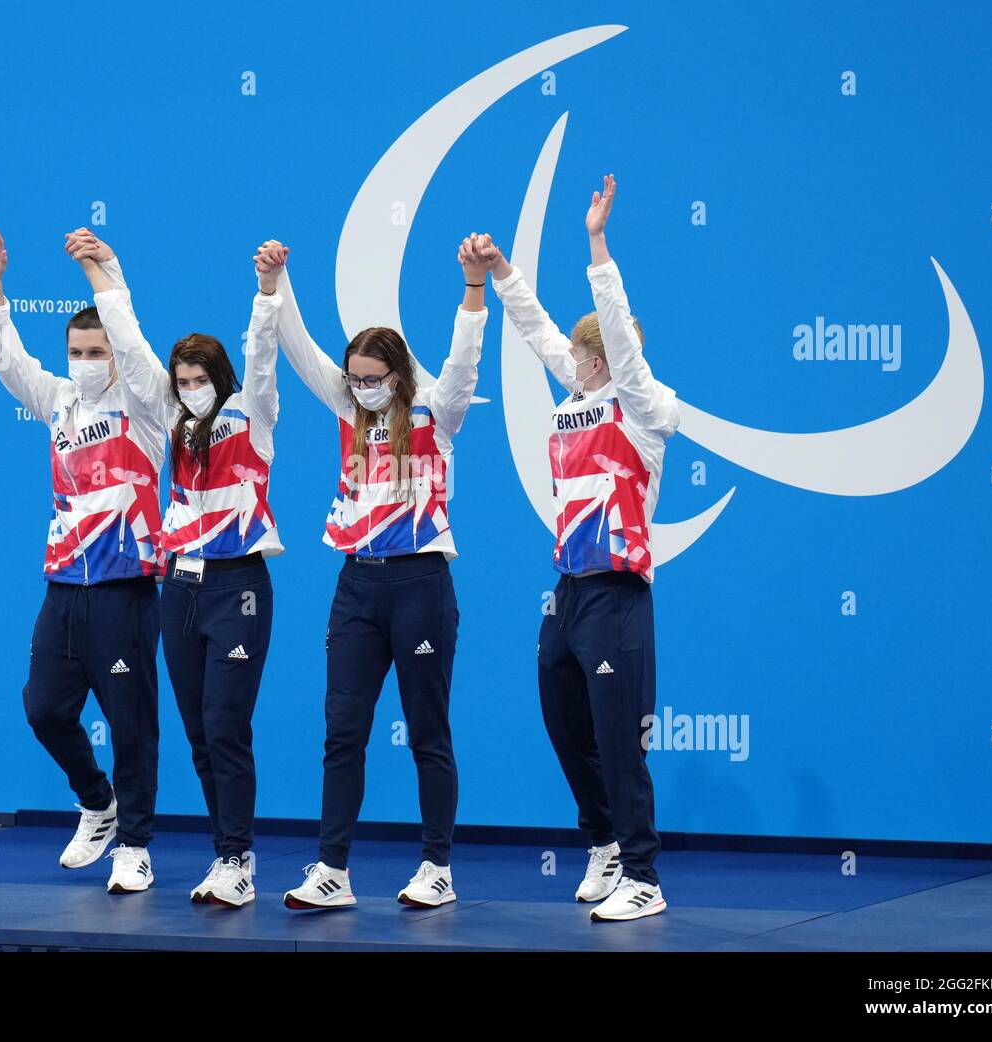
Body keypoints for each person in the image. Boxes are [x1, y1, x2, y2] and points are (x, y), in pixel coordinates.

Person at [256, 236, 490, 910]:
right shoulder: (345, 407)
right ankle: (333, 871)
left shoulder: (436, 412)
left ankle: (437, 868)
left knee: (426, 730)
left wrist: (474, 288)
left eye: (372, 376)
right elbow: (299, 348)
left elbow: (464, 360)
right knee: (343, 730)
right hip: (355, 585)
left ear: (396, 374)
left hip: (420, 584)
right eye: (354, 376)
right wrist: (277, 284)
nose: (361, 385)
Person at [482, 175, 679, 921]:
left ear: (600, 356)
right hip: (567, 590)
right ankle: (601, 842)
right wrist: (502, 273)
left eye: (580, 349)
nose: (569, 355)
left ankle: (644, 877)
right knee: (563, 718)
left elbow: (620, 336)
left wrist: (596, 244)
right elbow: (535, 329)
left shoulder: (642, 405)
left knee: (619, 740)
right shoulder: (576, 398)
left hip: (618, 594)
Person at [66, 228, 282, 909]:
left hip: (238, 584)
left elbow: (263, 354)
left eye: (200, 381)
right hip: (177, 588)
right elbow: (126, 340)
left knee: (225, 724)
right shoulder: (166, 418)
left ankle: (239, 860)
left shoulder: (253, 412)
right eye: (182, 381)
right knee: (197, 733)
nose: (190, 390)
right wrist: (103, 268)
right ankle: (226, 858)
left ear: (221, 381)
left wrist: (268, 292)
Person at [0, 223, 164, 894]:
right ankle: (98, 803)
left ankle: (136, 845)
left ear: (114, 355)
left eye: (95, 350)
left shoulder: (145, 405)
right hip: (63, 589)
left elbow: (131, 337)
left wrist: (103, 272)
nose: (85, 360)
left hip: (124, 589)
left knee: (131, 724)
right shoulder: (57, 402)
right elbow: (7, 360)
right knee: (44, 709)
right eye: (76, 350)